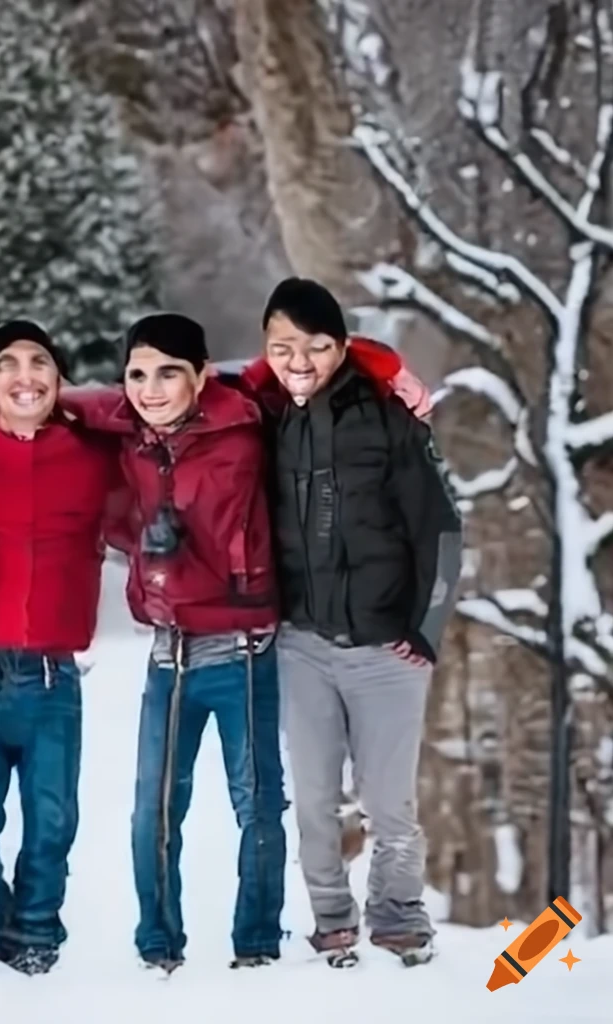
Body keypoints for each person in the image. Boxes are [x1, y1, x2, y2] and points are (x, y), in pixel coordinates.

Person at [63, 313, 287, 973]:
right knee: (151, 815)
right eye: (137, 374)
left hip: (245, 650)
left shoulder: (249, 423)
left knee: (259, 806)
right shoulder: (128, 436)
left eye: (168, 373)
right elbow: (51, 398)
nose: (151, 388)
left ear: (199, 372)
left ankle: (257, 946)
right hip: (170, 655)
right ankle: (158, 946)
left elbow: (316, 356)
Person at [248, 278, 462, 967]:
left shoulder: (388, 418)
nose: (299, 361)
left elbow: (443, 532)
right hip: (302, 644)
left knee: (388, 802)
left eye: (316, 346)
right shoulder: (269, 416)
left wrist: (425, 631)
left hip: (385, 648)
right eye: (283, 348)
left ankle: (398, 915)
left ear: (341, 347)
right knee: (312, 798)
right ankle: (332, 919)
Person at [0, 320, 119, 975]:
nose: (25, 376)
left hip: (49, 675)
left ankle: (37, 934)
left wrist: (76, 402)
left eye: (40, 362)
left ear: (60, 379)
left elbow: (156, 402)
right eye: (8, 364)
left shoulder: (92, 452)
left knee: (51, 823)